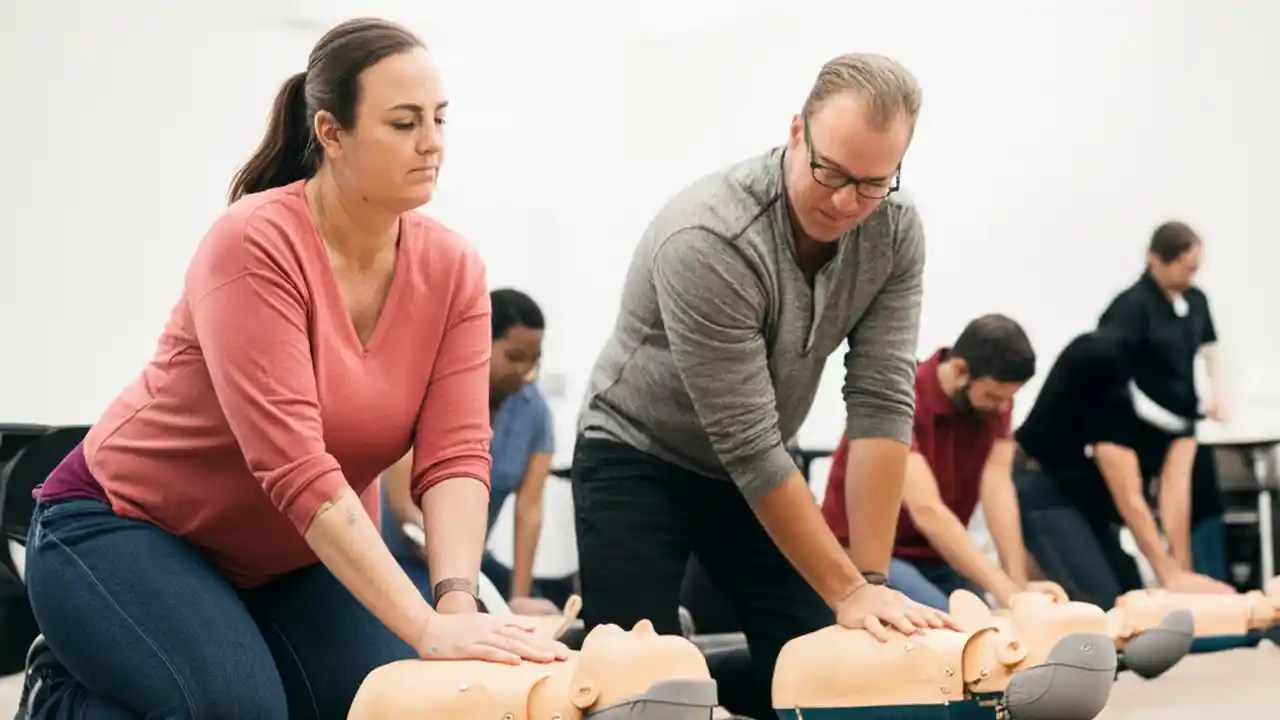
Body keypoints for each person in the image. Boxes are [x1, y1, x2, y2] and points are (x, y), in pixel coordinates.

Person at [14, 18, 563, 720]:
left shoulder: (455, 268)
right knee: (239, 711)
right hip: (123, 525)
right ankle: (57, 695)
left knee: (396, 700)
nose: (432, 143)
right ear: (331, 133)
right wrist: (423, 626)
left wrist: (454, 605)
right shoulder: (254, 244)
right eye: (402, 124)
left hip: (285, 561)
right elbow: (295, 467)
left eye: (439, 119)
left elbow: (456, 454)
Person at [571, 53, 951, 719]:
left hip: (756, 465)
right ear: (797, 132)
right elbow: (745, 441)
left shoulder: (894, 230)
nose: (843, 200)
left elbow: (882, 400)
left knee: (828, 663)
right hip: (637, 455)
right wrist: (848, 591)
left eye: (871, 183)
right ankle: (603, 654)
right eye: (829, 171)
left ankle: (714, 674)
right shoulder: (708, 235)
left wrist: (868, 584)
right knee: (643, 686)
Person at [822, 314, 1037, 611]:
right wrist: (1007, 592)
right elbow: (927, 511)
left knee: (994, 624)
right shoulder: (900, 397)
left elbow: (998, 487)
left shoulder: (995, 404)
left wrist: (1017, 585)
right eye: (993, 396)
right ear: (960, 370)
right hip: (870, 556)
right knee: (956, 629)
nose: (1002, 407)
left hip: (936, 556)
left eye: (1007, 399)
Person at [1012, 328, 1235, 610]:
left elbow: (1175, 485)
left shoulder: (1182, 392)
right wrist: (1167, 574)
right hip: (1041, 482)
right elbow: (1127, 492)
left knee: (1135, 596)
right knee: (1106, 607)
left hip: (1084, 490)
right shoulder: (1103, 364)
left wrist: (1181, 574)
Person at [381, 288, 561, 616]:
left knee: (535, 609)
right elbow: (403, 505)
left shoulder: (535, 412)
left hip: (469, 563)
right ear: (480, 341)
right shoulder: (427, 390)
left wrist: (518, 599)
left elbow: (529, 508)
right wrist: (455, 576)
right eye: (514, 357)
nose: (526, 372)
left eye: (534, 360)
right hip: (403, 556)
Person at [1097, 220, 1230, 582]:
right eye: (1184, 267)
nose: (1190, 276)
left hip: (1183, 422)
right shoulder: (1131, 307)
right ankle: (1165, 574)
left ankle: (1191, 573)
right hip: (1140, 428)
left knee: (1199, 498)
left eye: (1194, 269)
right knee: (1137, 506)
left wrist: (1219, 396)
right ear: (1157, 259)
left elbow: (1210, 349)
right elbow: (1110, 368)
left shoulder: (1196, 300)